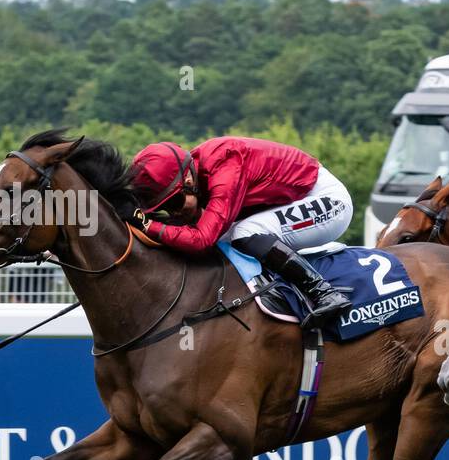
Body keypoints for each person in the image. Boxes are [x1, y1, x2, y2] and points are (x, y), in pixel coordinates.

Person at [130, 137, 352, 326]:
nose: (173, 213)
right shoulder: (197, 172)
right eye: (164, 209)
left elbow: (201, 239)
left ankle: (325, 293)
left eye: (174, 203)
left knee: (244, 232)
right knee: (226, 240)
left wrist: (149, 225)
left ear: (188, 180)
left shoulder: (225, 167)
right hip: (289, 201)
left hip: (326, 200)